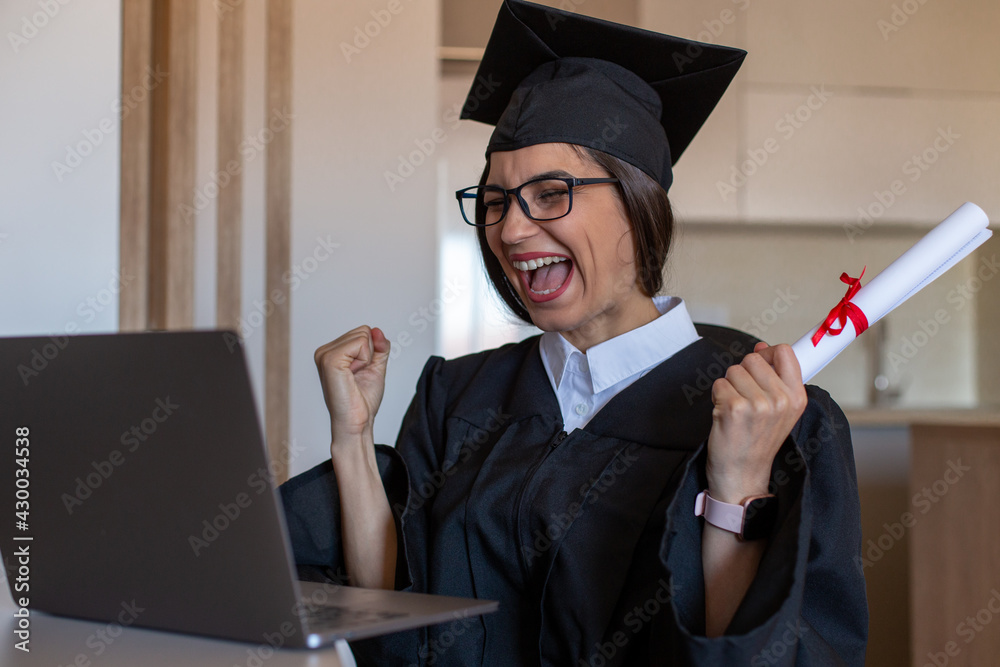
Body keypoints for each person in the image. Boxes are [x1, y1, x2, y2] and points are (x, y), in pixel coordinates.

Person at [279, 1, 868, 664]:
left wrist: (737, 484)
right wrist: (353, 438)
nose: (510, 229)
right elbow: (391, 612)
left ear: (639, 198)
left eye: (552, 192)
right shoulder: (458, 396)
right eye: (496, 201)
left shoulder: (767, 411)